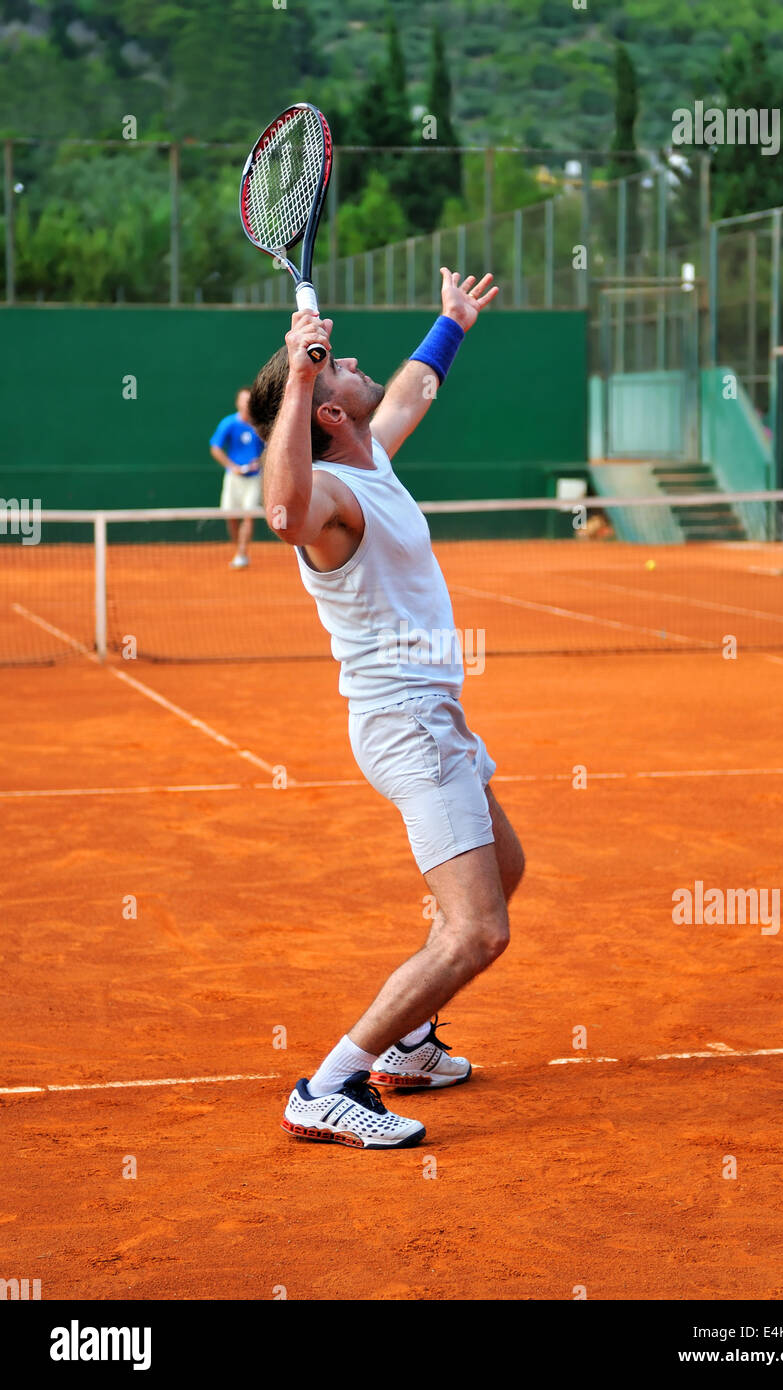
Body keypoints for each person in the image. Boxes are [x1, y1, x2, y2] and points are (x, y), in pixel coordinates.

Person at [248, 268, 525, 1151]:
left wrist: (451, 324)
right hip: (405, 722)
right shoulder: (328, 500)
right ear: (328, 412)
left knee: (504, 868)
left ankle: (408, 1045)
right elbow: (283, 511)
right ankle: (328, 1084)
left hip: (432, 714)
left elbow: (404, 393)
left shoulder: (371, 461)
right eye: (340, 372)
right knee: (478, 930)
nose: (357, 364)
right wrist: (297, 373)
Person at [209, 387, 265, 568]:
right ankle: (239, 549)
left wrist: (261, 461)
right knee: (231, 516)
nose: (246, 403)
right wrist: (232, 467)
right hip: (234, 478)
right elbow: (215, 448)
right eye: (243, 400)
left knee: (248, 515)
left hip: (255, 478)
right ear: (237, 403)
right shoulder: (229, 423)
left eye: (249, 400)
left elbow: (271, 447)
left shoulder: (260, 425)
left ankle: (241, 553)